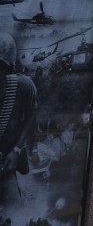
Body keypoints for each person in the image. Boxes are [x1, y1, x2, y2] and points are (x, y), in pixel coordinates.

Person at [0, 32, 36, 203]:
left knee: (13, 207)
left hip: (5, 164)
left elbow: (31, 114)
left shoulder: (23, 86)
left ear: (9, 68)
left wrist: (16, 150)